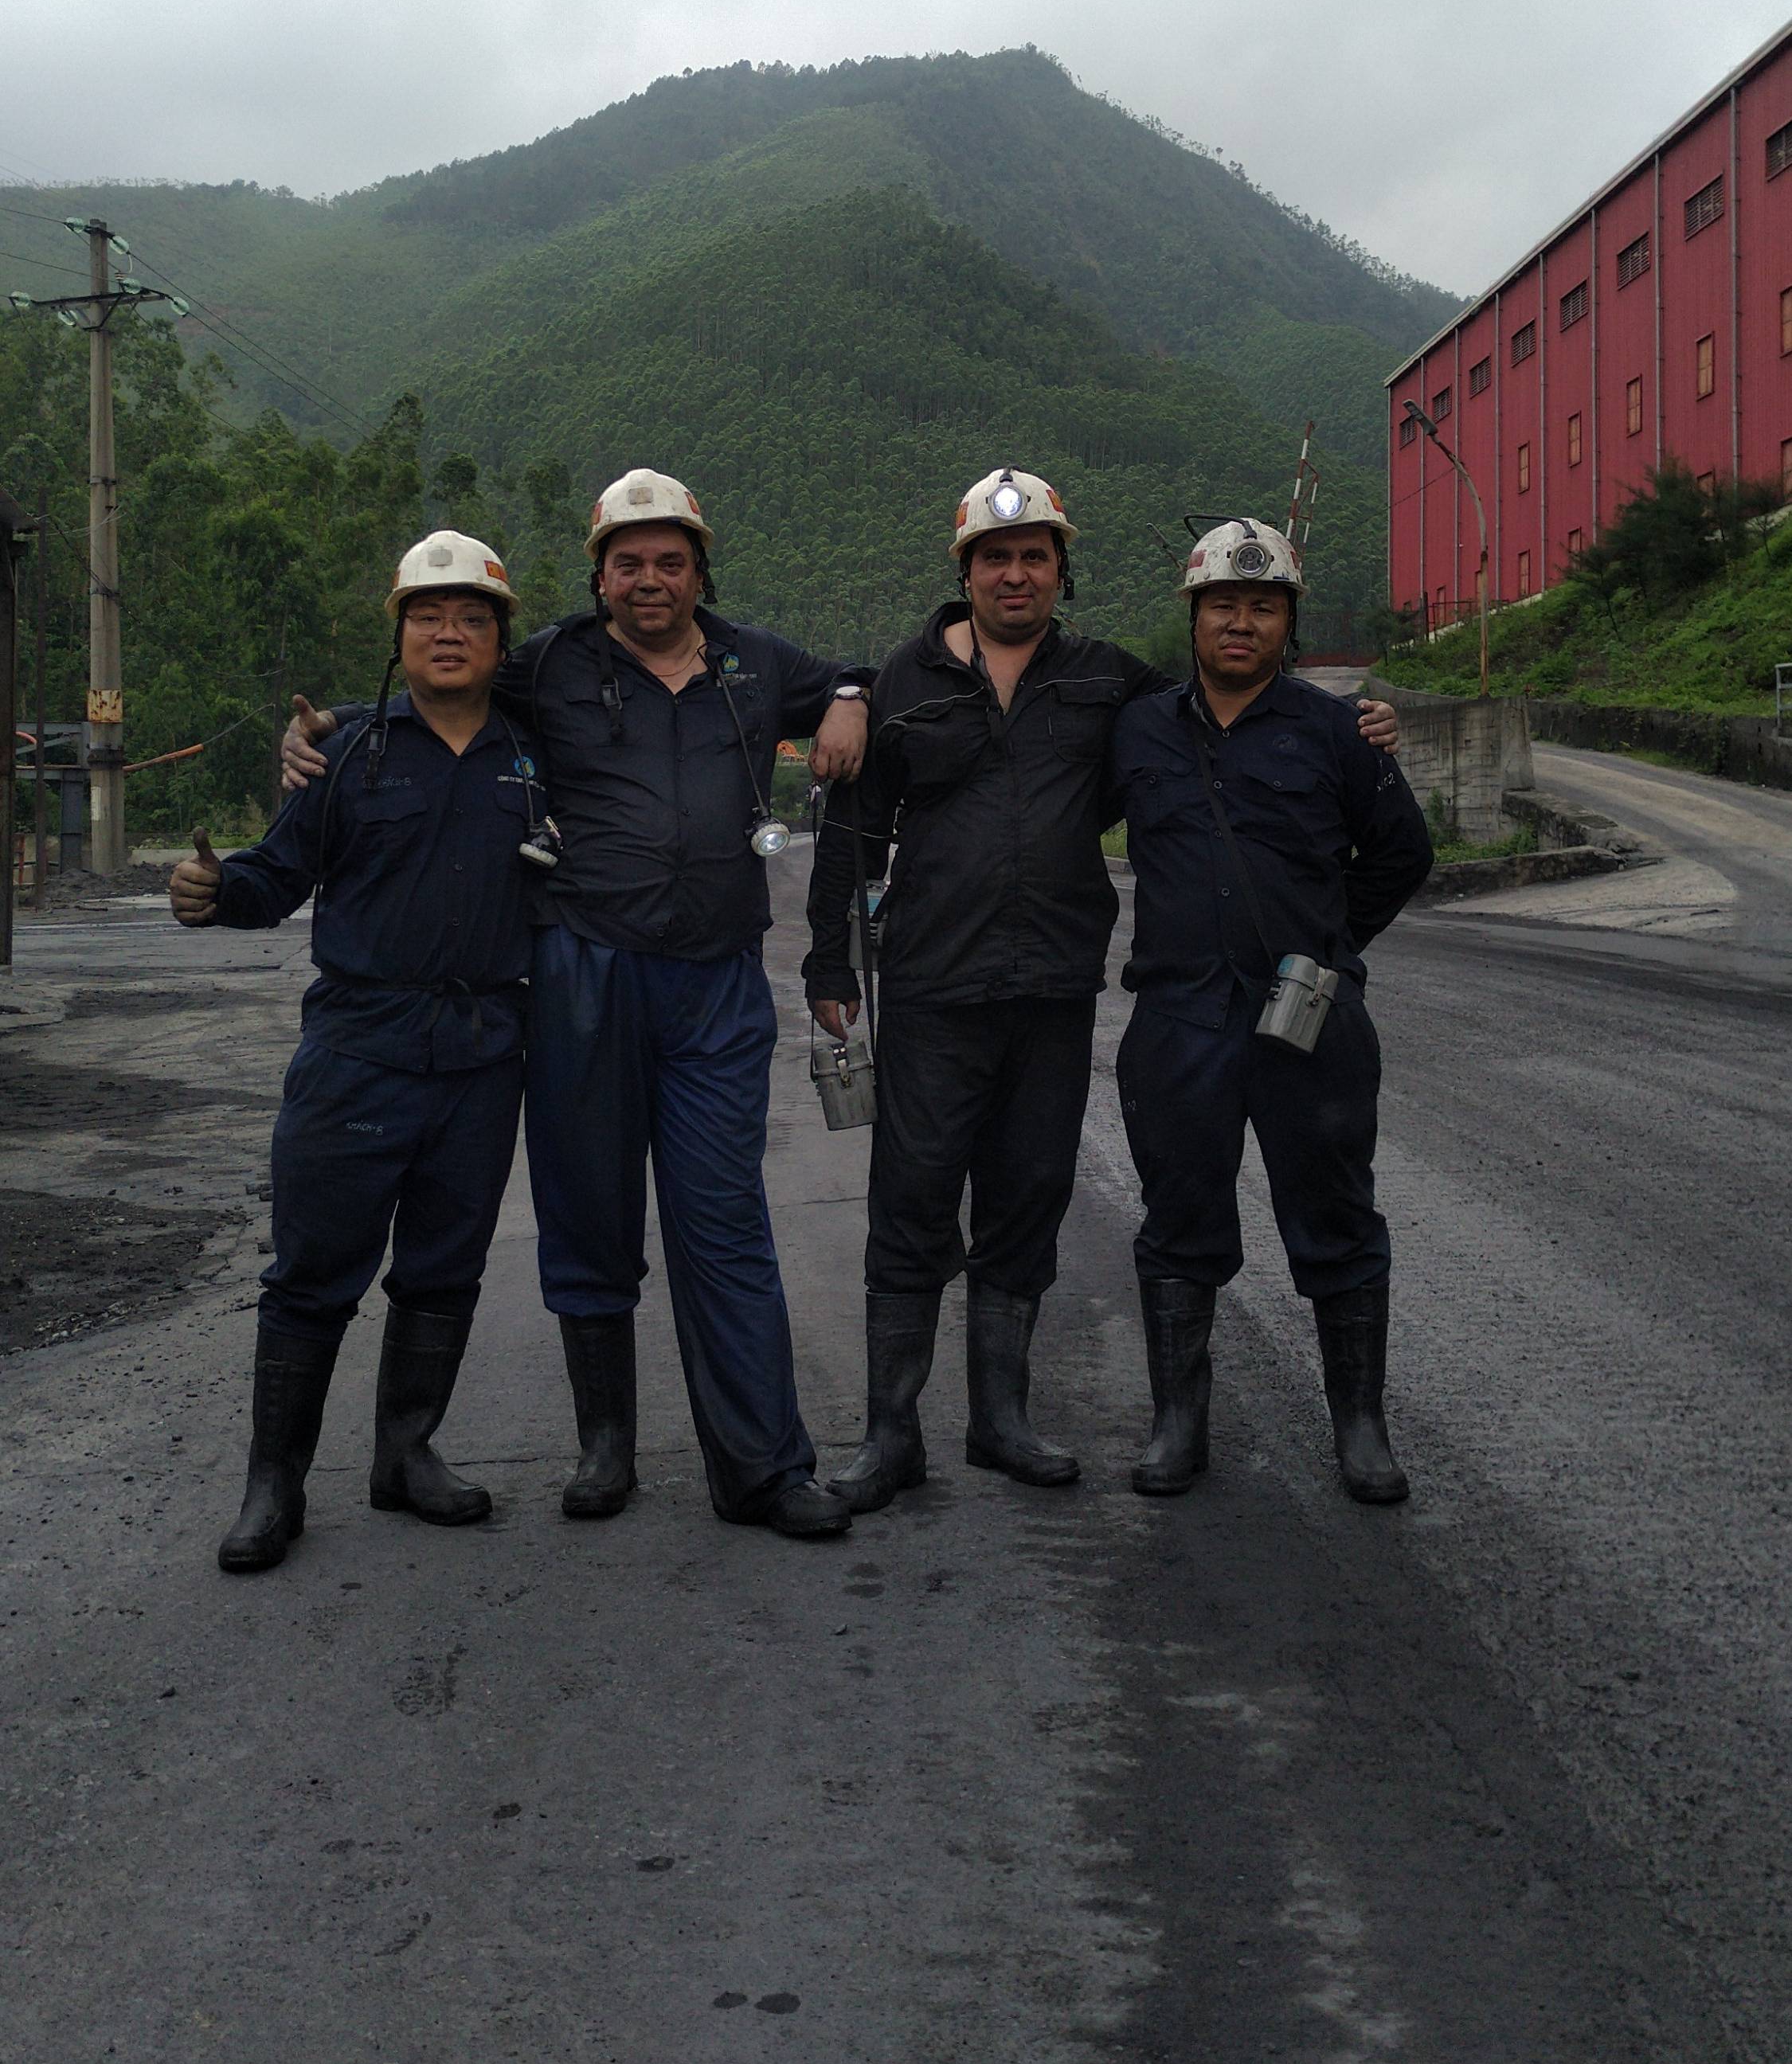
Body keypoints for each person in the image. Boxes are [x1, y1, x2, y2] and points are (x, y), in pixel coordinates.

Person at [283, 469, 870, 1542]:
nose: (649, 579)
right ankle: (607, 1446)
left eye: (670, 561)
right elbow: (441, 687)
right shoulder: (549, 663)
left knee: (724, 1222)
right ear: (599, 574)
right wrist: (330, 728)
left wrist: (850, 697)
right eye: (627, 562)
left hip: (716, 982)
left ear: (699, 570)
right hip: (583, 970)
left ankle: (762, 1469)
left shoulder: (758, 663)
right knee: (588, 1211)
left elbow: (851, 676)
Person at [803, 468, 1403, 1512]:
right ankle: (891, 1436)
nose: (1016, 573)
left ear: (1060, 571)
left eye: (1034, 556)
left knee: (1030, 1199)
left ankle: (1001, 1423)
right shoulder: (903, 679)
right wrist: (827, 954)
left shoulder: (1109, 683)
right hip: (938, 988)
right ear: (966, 572)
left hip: (1056, 991)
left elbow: (1234, 716)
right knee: (913, 1203)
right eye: (996, 557)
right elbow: (852, 829)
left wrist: (1333, 908)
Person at [173, 530, 536, 1573]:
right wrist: (215, 891)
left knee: (444, 1268)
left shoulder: (536, 756)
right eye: (428, 616)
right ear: (400, 634)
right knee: (313, 1273)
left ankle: (406, 1456)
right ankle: (273, 1485)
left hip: (483, 1056)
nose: (449, 633)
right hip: (358, 1051)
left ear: (500, 639)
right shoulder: (344, 753)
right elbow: (274, 877)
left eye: (471, 617)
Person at [1107, 518, 1433, 1506]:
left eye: (1262, 606)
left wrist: (1330, 946)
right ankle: (1178, 1424)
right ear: (1193, 616)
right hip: (1180, 1018)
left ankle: (1361, 1429)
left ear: (1289, 623)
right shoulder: (1137, 729)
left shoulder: (1340, 731)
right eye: (1223, 605)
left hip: (1311, 1020)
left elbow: (1403, 852)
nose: (1240, 622)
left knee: (1336, 1215)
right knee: (1178, 1218)